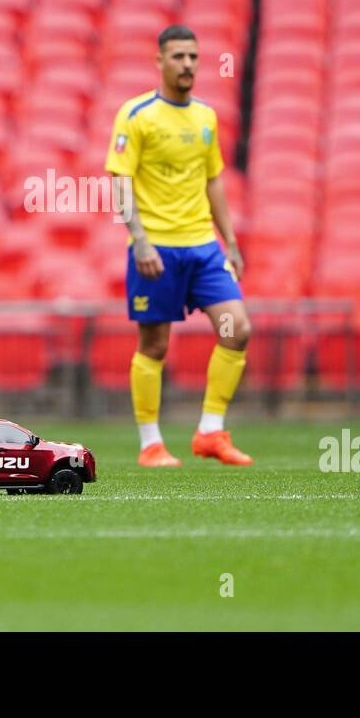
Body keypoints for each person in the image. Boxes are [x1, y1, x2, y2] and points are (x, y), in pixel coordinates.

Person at [106, 24, 253, 467]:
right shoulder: (136, 115)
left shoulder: (206, 116)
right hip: (157, 249)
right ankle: (150, 444)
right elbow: (119, 181)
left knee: (237, 329)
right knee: (154, 346)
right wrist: (140, 241)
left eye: (193, 56)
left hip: (203, 247)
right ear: (160, 61)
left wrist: (229, 240)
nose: (187, 64)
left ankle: (210, 431)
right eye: (178, 57)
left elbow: (214, 181)